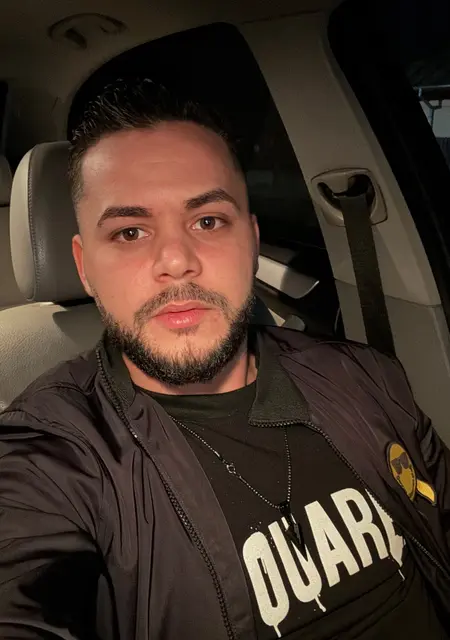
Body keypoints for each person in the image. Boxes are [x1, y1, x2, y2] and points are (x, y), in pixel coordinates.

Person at [0, 80, 449, 640]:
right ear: (84, 265)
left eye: (208, 221)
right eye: (130, 232)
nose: (175, 261)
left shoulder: (365, 376)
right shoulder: (49, 456)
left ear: (252, 240)